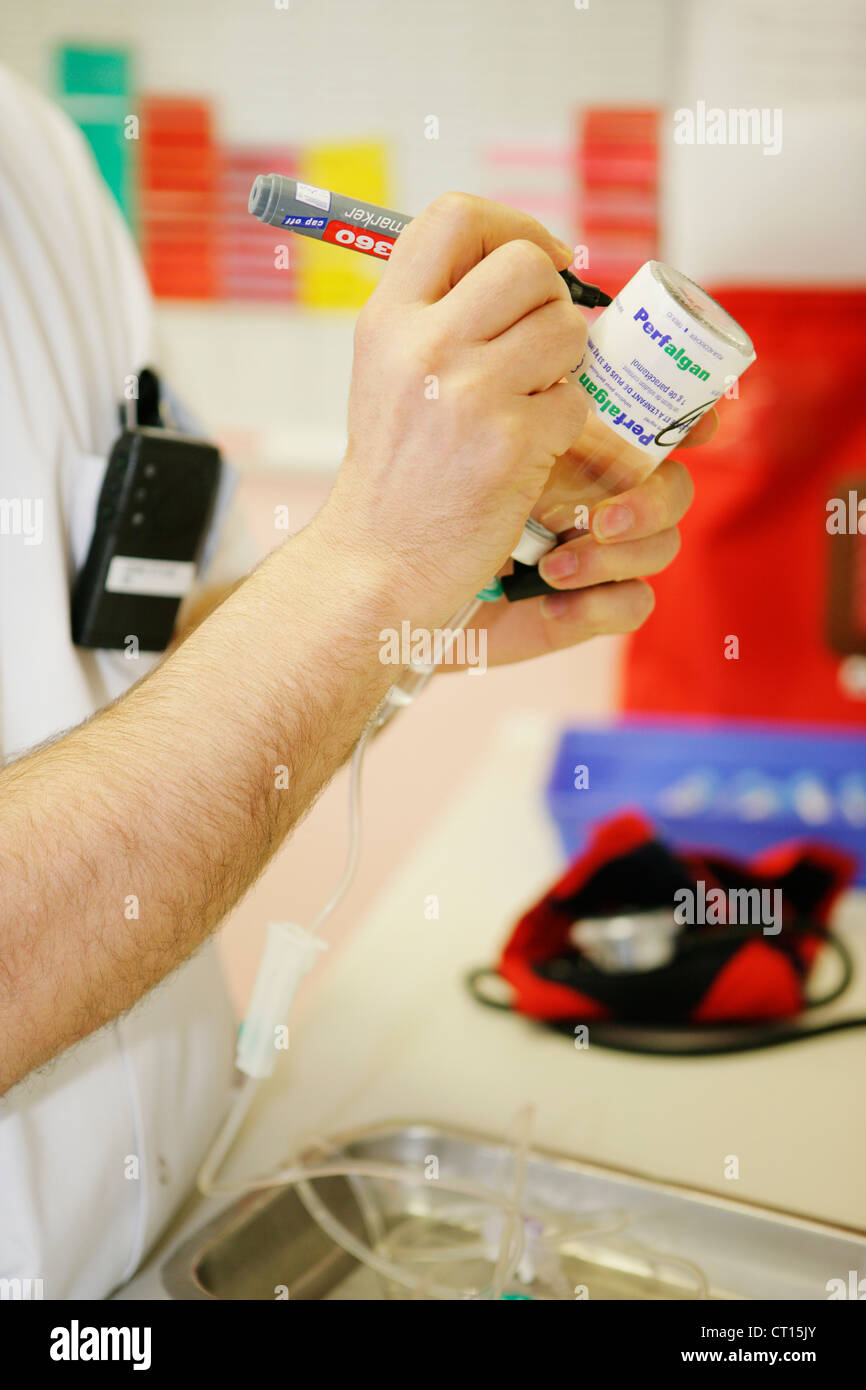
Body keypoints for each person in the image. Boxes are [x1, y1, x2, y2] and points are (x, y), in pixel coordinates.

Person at [0, 65, 706, 1297]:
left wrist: (427, 587)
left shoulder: (34, 156)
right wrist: (369, 573)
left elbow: (128, 659)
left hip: (174, 1235)